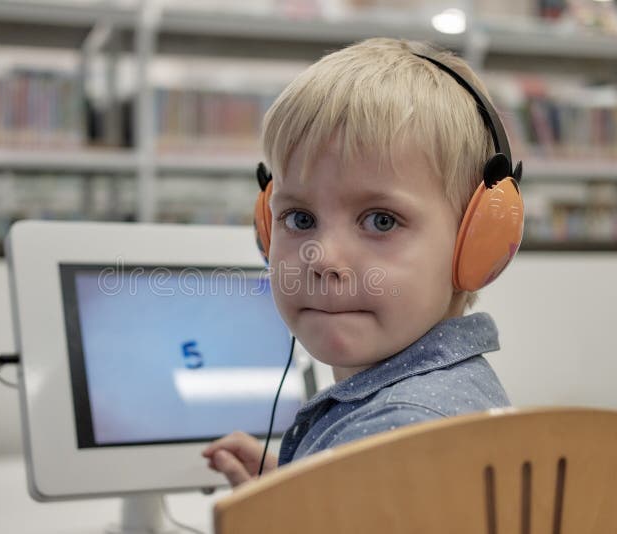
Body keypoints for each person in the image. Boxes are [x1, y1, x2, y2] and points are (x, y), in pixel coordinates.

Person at [202, 37, 522, 488]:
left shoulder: (398, 435)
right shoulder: (426, 405)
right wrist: (289, 496)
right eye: (300, 218)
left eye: (381, 220)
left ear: (477, 245)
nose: (324, 258)